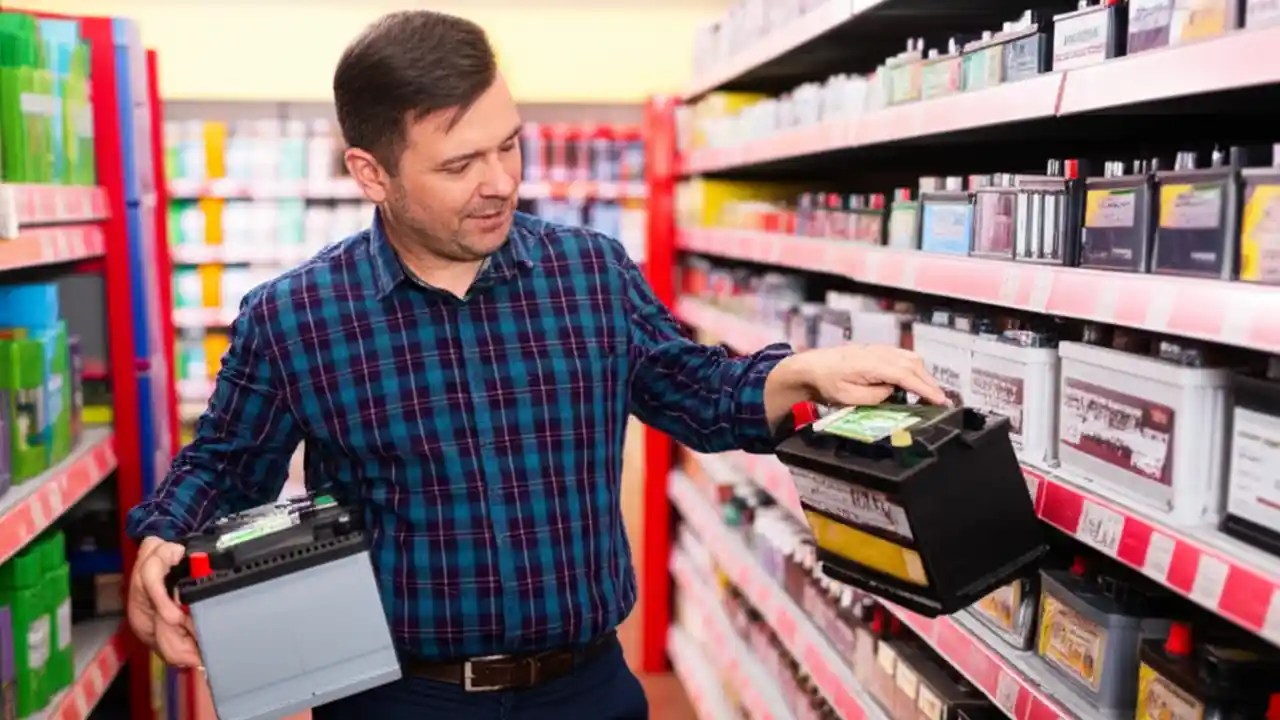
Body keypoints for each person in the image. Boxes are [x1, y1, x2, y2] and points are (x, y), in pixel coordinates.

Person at [124, 9, 947, 719]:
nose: (500, 183)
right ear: (370, 173)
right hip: (398, 697)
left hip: (585, 687)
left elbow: (695, 391)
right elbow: (228, 464)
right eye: (458, 165)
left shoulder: (590, 271)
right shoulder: (296, 316)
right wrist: (164, 538)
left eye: (509, 146)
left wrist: (802, 374)